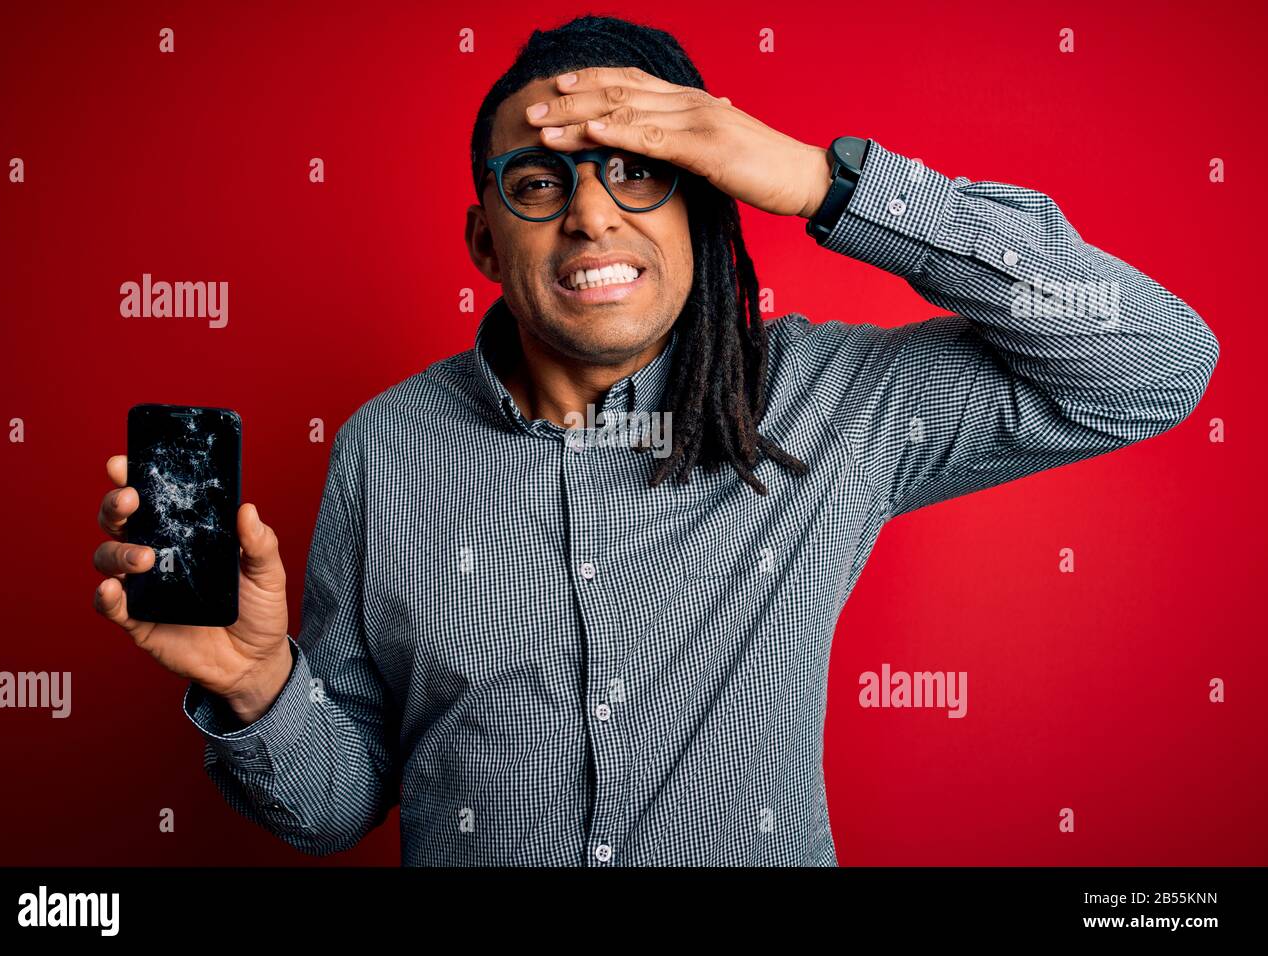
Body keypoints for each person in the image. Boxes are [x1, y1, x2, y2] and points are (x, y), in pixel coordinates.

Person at [92, 15, 1219, 866]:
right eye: (540, 183)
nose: (590, 216)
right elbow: (336, 803)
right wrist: (254, 685)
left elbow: (1156, 364)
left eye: (638, 172)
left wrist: (826, 182)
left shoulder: (833, 398)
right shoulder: (389, 448)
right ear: (486, 238)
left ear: (710, 201)